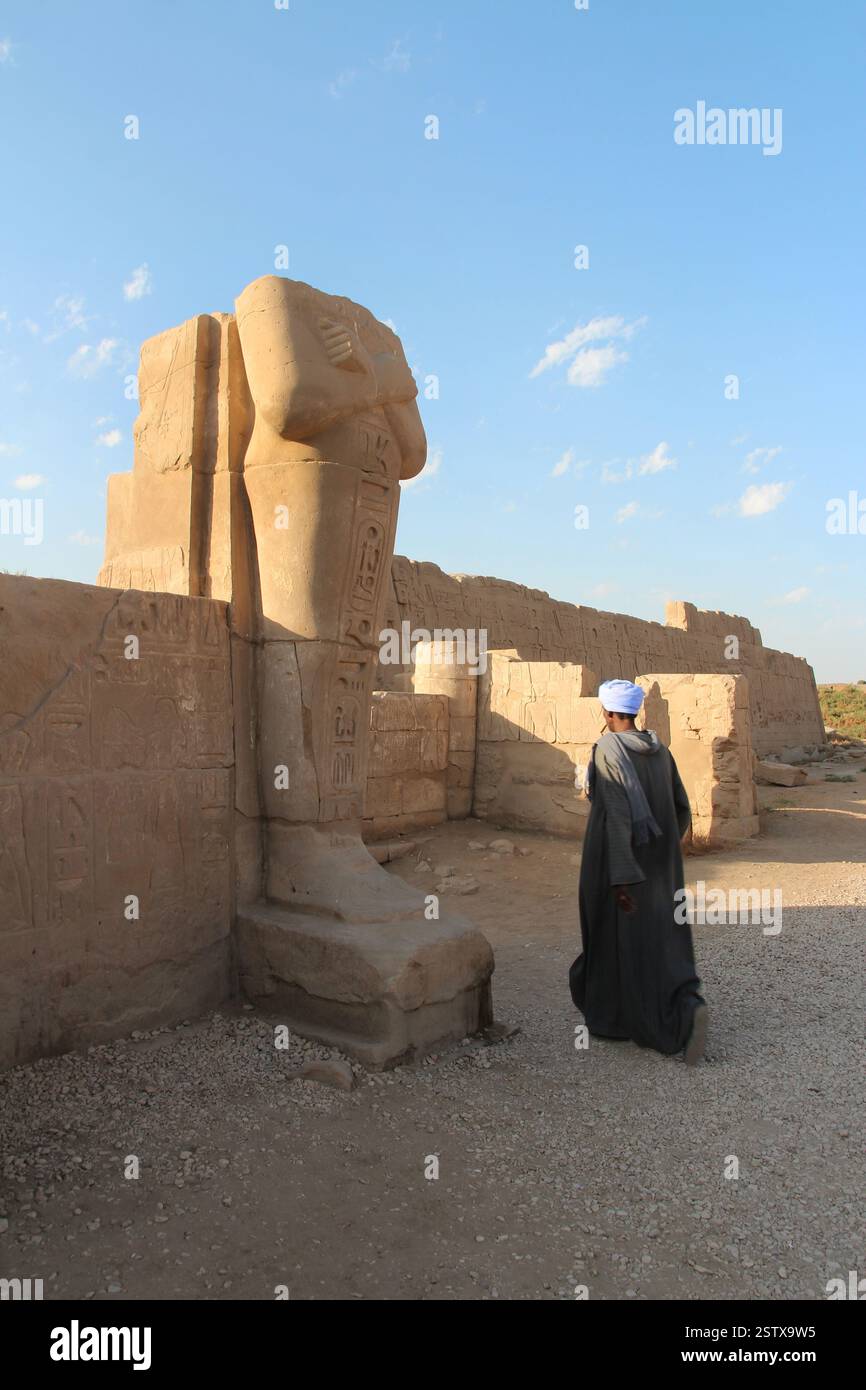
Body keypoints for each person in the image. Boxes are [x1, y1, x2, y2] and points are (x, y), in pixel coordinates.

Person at [569, 679, 708, 1064]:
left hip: (615, 863)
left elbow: (615, 814)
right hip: (661, 862)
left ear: (607, 712)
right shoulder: (660, 750)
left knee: (613, 934)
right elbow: (682, 808)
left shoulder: (608, 749)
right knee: (659, 938)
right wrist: (662, 851)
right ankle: (681, 1003)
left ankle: (656, 1022)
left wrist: (622, 876)